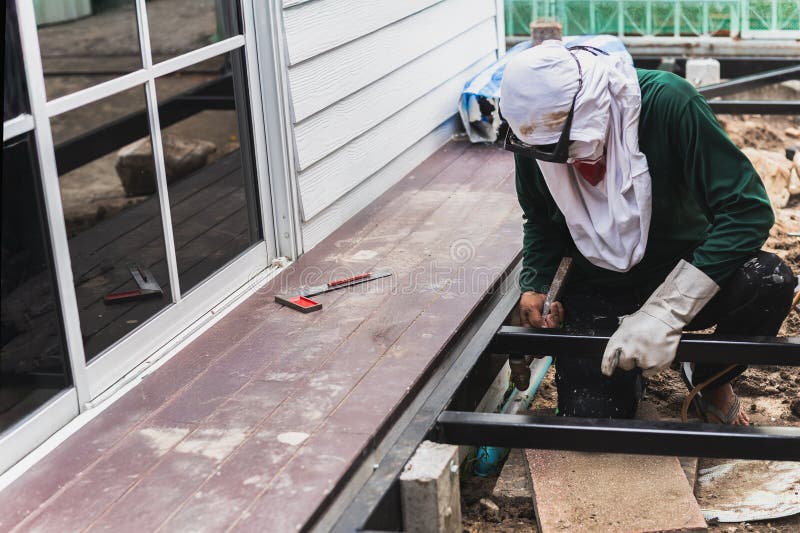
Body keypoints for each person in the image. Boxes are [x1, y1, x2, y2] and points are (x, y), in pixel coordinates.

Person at [498, 41, 796, 424]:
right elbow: (540, 218)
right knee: (592, 421)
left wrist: (666, 312)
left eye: (564, 147)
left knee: (769, 281)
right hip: (600, 284)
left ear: (588, 108)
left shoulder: (668, 104)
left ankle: (708, 378)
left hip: (683, 270)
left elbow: (747, 211)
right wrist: (536, 283)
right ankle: (630, 369)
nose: (563, 161)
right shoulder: (536, 137)